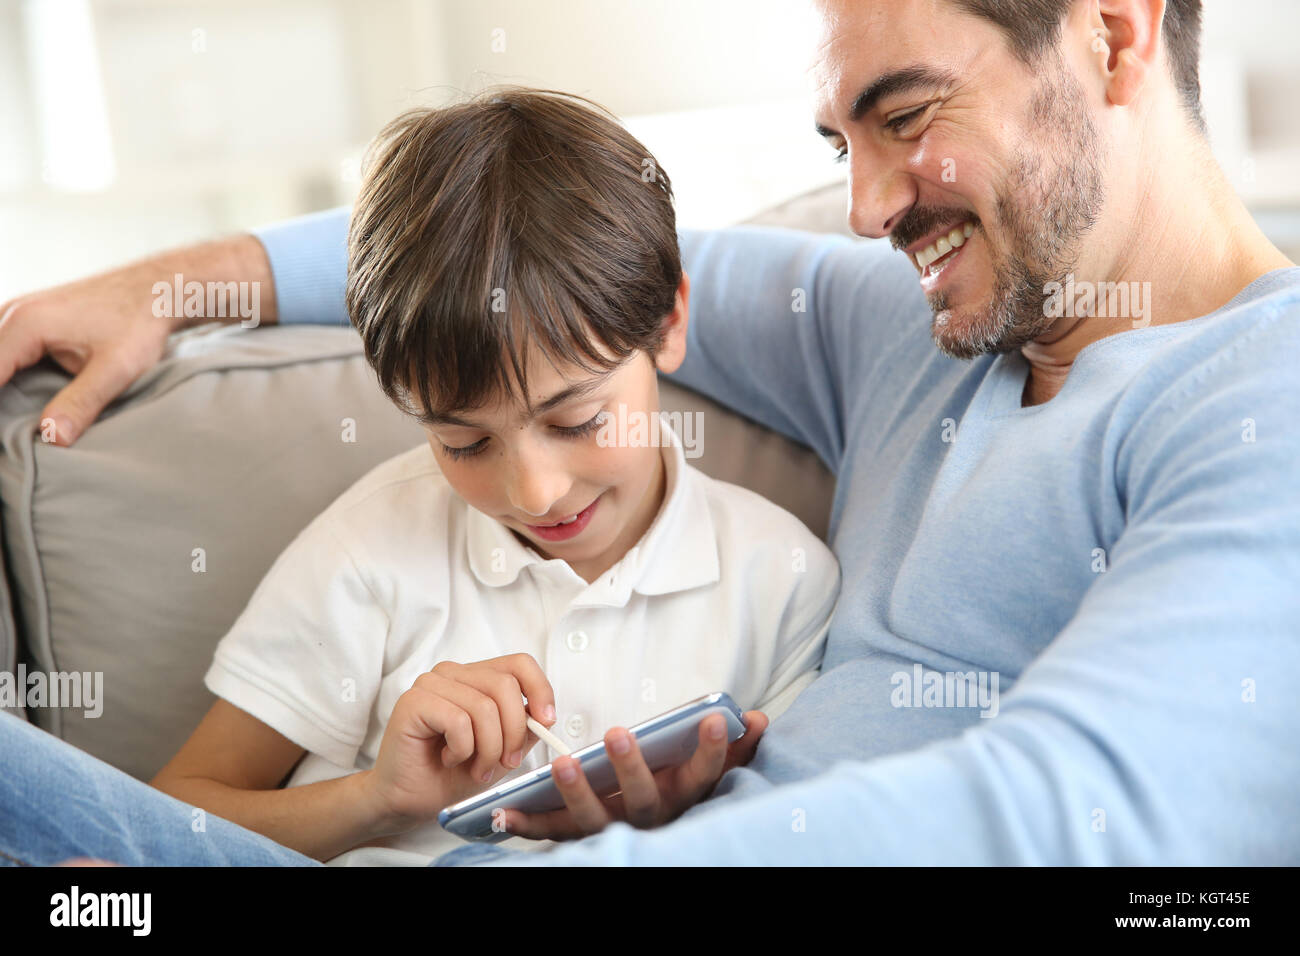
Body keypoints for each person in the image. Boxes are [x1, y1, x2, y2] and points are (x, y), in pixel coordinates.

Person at [2, 0, 1298, 866]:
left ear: (1116, 36)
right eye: (842, 140)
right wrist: (179, 287)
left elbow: (1088, 808)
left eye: (906, 119)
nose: (860, 209)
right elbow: (543, 260)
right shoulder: (917, 328)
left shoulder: (1259, 390)